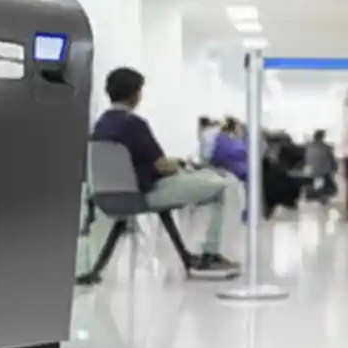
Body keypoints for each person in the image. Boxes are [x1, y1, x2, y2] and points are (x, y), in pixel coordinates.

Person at [91, 68, 239, 273]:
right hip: (146, 193)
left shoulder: (100, 126)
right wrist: (179, 165)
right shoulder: (134, 124)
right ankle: (210, 254)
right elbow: (162, 166)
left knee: (206, 179)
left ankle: (198, 255)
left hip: (107, 195)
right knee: (224, 186)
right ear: (135, 94)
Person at [303, 129, 339, 203]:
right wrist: (335, 168)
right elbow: (332, 161)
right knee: (332, 189)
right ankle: (324, 195)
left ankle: (313, 194)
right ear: (322, 137)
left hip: (311, 172)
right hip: (324, 173)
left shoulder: (308, 146)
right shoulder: (326, 147)